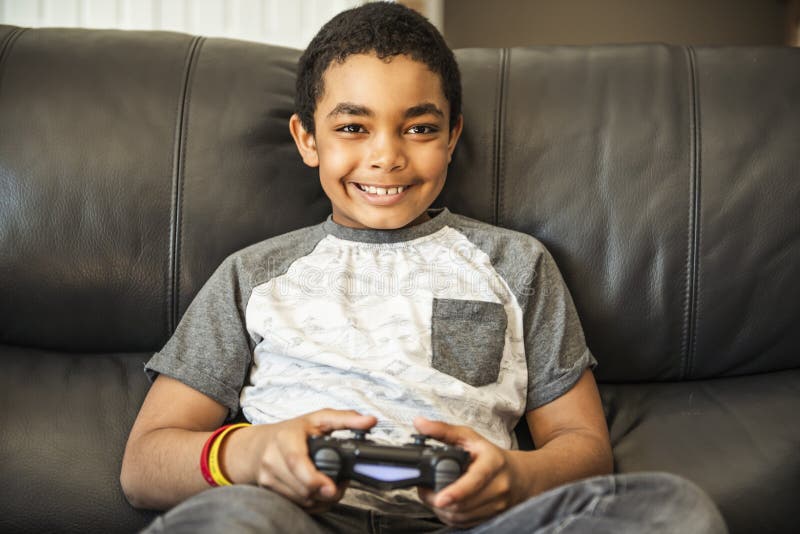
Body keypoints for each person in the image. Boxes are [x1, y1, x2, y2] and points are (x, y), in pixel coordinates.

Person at [121, 3, 727, 533]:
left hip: (473, 523)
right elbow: (144, 465)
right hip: (292, 519)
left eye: (419, 128)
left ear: (452, 135)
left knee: (673, 510)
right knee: (227, 520)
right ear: (307, 139)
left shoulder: (517, 265)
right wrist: (250, 455)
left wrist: (514, 478)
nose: (386, 155)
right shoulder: (251, 275)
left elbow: (584, 448)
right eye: (353, 127)